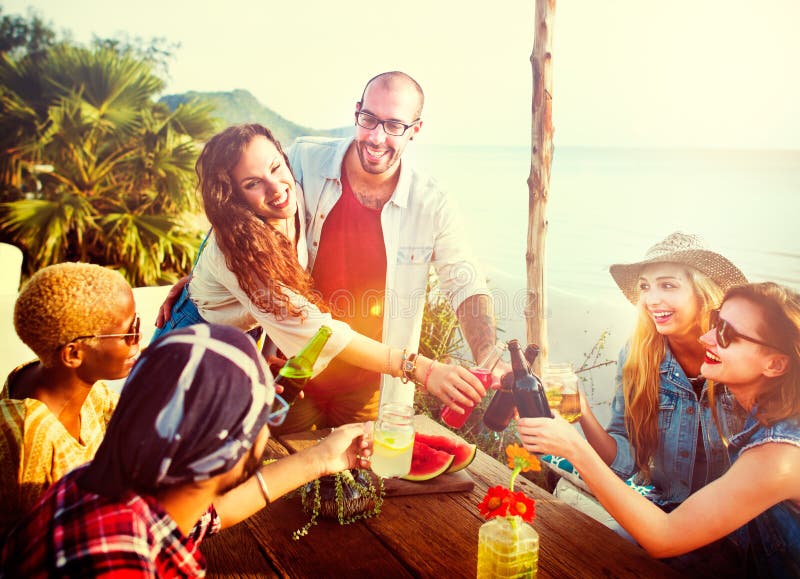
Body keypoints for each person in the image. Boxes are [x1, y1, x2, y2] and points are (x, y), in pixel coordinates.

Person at [154, 120, 487, 431]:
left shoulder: (297, 197)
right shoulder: (238, 255)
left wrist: (198, 278)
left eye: (276, 167)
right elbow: (318, 330)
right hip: (193, 345)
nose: (276, 188)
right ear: (234, 198)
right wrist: (419, 368)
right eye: (252, 184)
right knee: (171, 446)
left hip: (242, 339)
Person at [1, 324, 371, 576]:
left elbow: (213, 512)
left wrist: (323, 458)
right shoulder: (119, 564)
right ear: (229, 454)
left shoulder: (106, 485)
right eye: (263, 413)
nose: (270, 421)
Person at [520, 282, 800, 576]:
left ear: (775, 364)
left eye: (727, 334)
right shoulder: (764, 406)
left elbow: (664, 537)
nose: (705, 338)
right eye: (715, 321)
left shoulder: (780, 457)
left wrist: (573, 448)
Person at [283, 70, 502, 431]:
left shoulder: (432, 201)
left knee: (365, 467)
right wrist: (201, 278)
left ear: (415, 129)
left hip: (373, 384)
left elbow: (464, 280)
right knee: (279, 459)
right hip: (295, 368)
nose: (376, 137)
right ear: (357, 111)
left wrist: (487, 351)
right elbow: (244, 216)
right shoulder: (304, 160)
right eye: (369, 119)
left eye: (394, 125)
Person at [551, 232, 748, 513]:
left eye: (668, 285)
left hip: (739, 519)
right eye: (645, 287)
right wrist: (583, 410)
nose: (651, 300)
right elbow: (624, 463)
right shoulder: (637, 355)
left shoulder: (740, 352)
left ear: (702, 293)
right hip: (664, 511)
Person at [0, 262, 141, 538]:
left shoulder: (72, 384)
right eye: (128, 333)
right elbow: (36, 541)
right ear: (73, 354)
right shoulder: (30, 442)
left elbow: (131, 419)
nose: (137, 340)